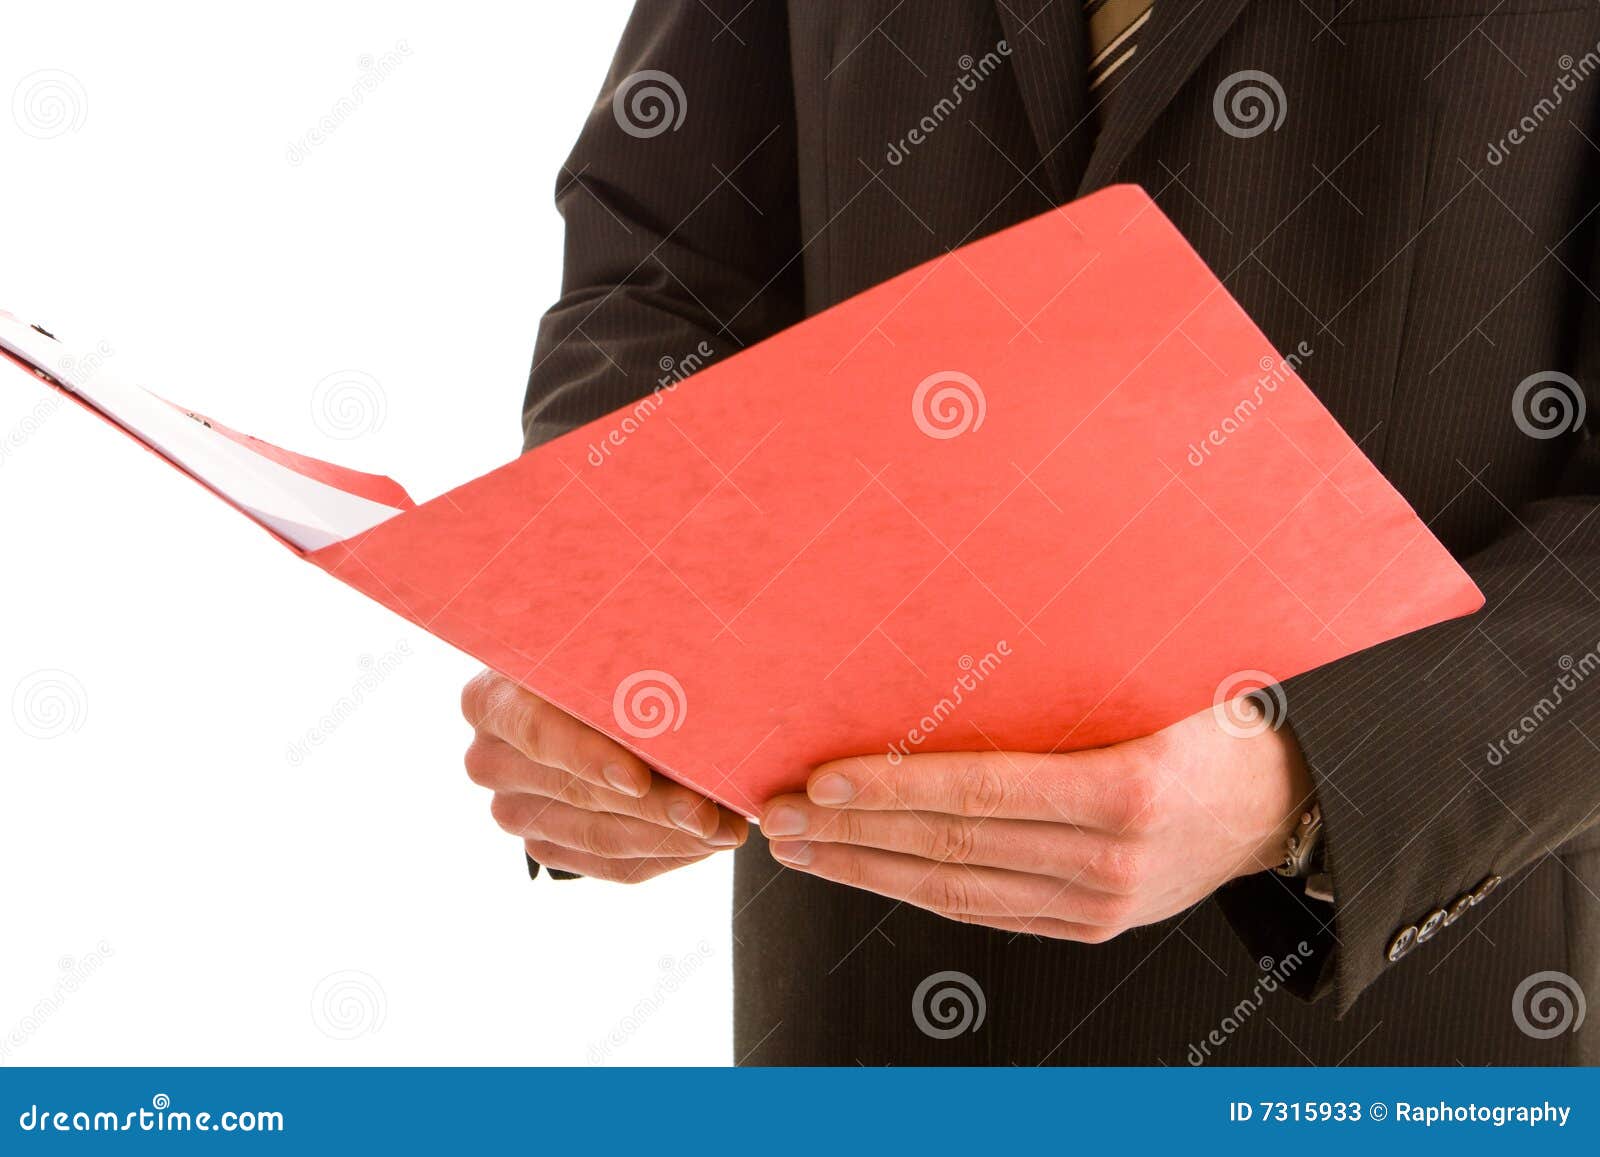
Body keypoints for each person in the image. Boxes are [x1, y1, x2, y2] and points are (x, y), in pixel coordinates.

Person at [460, 0, 1600, 1064]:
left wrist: (1298, 782)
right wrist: (614, 614)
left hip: (1399, 1029)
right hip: (861, 1006)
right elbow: (665, 261)